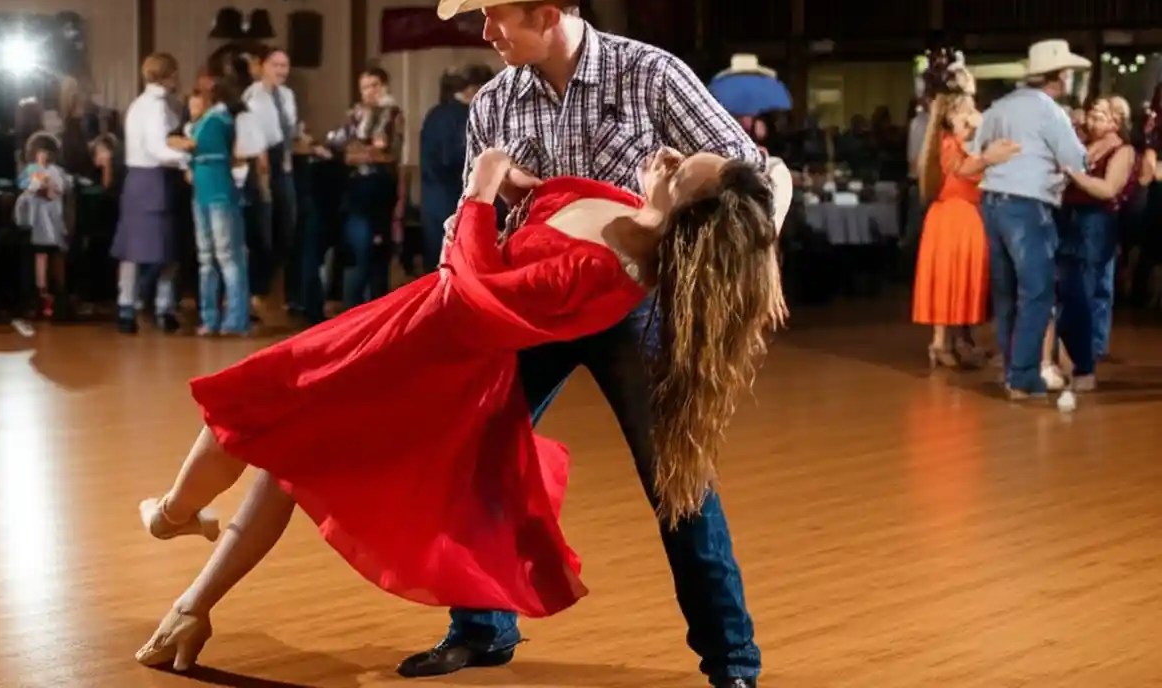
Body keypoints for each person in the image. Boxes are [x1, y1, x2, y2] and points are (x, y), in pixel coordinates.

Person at [134, 146, 787, 675]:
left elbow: (475, 293)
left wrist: (476, 190)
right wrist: (515, 194)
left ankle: (173, 522)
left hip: (425, 356)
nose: (667, 154)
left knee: (259, 417)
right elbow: (549, 206)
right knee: (279, 435)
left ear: (687, 221)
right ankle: (188, 574)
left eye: (678, 173)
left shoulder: (606, 272)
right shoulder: (621, 204)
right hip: (402, 321)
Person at [396, 0, 785, 687]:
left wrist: (706, 259)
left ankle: (732, 662)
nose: (484, 35)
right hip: (532, 307)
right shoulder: (494, 101)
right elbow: (472, 216)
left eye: (496, 19)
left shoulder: (652, 74)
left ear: (547, 14)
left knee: (678, 481)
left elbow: (749, 177)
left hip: (631, 310)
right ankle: (480, 628)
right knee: (476, 456)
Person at [971, 40, 1089, 399]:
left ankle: (1012, 373)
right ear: (1060, 76)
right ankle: (1022, 376)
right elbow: (1075, 159)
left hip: (992, 202)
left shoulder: (999, 107)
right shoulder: (1051, 112)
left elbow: (978, 153)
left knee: (1006, 293)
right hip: (1028, 205)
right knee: (1036, 293)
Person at [913, 79, 1020, 368]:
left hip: (967, 216)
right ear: (949, 115)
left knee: (964, 280)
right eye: (965, 108)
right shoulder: (947, 144)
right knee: (948, 279)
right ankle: (940, 342)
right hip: (953, 218)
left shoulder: (966, 141)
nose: (973, 113)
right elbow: (962, 169)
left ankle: (960, 340)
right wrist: (987, 157)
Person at [1056, 96, 1137, 389]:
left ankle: (1084, 358)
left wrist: (1074, 175)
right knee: (1069, 287)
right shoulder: (1084, 145)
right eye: (1091, 115)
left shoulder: (1123, 150)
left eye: (1099, 116)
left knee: (1087, 290)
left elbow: (1108, 189)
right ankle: (1071, 355)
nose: (1092, 120)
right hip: (1071, 217)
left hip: (1096, 220)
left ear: (1115, 121)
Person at [113, 53, 190, 335]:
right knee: (165, 249)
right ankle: (161, 305)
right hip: (156, 179)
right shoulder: (158, 108)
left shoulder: (137, 105)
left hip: (136, 179)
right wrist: (186, 159)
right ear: (168, 75)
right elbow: (158, 149)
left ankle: (127, 306)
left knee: (133, 249)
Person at [326, 66, 407, 308]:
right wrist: (369, 150)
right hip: (355, 189)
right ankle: (353, 309)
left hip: (381, 188)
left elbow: (390, 153)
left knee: (378, 252)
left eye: (374, 86)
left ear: (383, 86)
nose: (369, 92)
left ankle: (377, 308)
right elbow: (340, 147)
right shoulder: (355, 114)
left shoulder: (393, 114)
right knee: (356, 250)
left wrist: (362, 151)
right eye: (364, 87)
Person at [187, 76, 252, 337]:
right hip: (202, 194)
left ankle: (235, 318)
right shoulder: (202, 123)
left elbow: (200, 146)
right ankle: (210, 317)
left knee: (226, 255)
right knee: (207, 258)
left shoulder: (219, 119)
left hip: (219, 194)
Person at [420, 64, 497, 272]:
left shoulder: (435, 113)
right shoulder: (464, 116)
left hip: (432, 199)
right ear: (474, 89)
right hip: (455, 199)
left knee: (436, 268)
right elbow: (461, 160)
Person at [241, 47, 298, 317]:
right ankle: (256, 290)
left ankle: (271, 285)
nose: (281, 71)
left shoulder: (287, 96)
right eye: (276, 65)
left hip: (284, 164)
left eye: (285, 66)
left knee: (288, 227)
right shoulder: (253, 96)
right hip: (261, 166)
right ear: (263, 66)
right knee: (262, 231)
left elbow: (290, 130)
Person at [15, 134, 71, 319]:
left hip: (54, 224)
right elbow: (26, 186)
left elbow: (58, 189)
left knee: (55, 259)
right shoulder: (29, 171)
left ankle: (58, 297)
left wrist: (47, 186)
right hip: (36, 225)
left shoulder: (57, 172)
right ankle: (42, 295)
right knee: (40, 259)